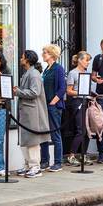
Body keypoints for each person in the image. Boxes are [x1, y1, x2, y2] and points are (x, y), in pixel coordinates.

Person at [15, 51, 48, 177]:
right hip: (27, 111)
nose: (20, 58)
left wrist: (18, 92)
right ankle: (28, 164)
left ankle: (35, 166)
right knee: (26, 139)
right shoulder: (29, 73)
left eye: (22, 57)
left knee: (33, 140)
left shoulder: (34, 74)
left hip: (33, 111)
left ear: (27, 60)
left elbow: (35, 92)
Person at [40, 44, 67, 172]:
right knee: (44, 134)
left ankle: (58, 162)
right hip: (44, 106)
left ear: (51, 54)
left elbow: (62, 88)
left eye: (45, 52)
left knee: (55, 134)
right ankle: (44, 161)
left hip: (54, 107)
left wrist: (53, 102)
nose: (43, 54)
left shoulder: (58, 69)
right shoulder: (46, 70)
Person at [65, 51, 95, 164]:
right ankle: (71, 155)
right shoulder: (73, 73)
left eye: (88, 61)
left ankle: (84, 155)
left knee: (87, 130)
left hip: (87, 101)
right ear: (80, 60)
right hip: (77, 102)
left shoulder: (87, 73)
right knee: (80, 129)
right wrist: (81, 92)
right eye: (86, 60)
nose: (88, 63)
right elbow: (68, 91)